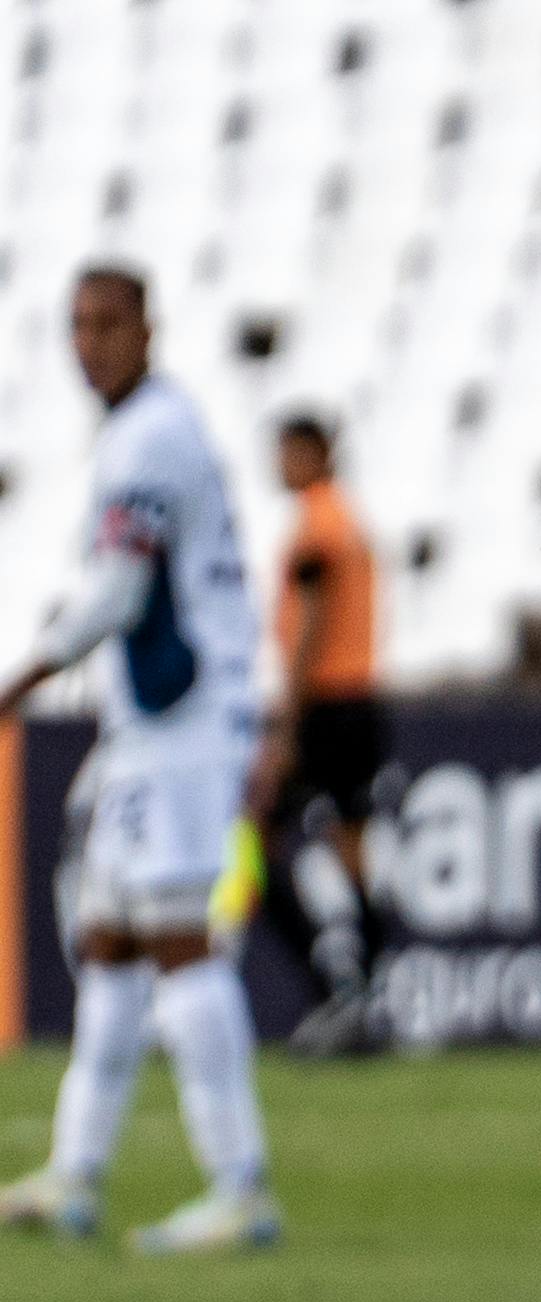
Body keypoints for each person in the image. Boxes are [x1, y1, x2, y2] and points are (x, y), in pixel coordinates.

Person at [0, 266, 283, 1252]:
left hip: (185, 723)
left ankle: (241, 1184)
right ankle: (76, 1174)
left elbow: (120, 594)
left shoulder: (151, 438)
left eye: (108, 323)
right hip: (147, 728)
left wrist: (19, 677)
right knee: (110, 943)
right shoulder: (138, 432)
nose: (91, 343)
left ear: (149, 329)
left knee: (174, 942)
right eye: (77, 324)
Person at [246, 410, 397, 1058]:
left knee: (262, 838)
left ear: (313, 454)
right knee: (354, 856)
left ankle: (333, 991)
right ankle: (363, 1000)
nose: (278, 465)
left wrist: (285, 724)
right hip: (360, 701)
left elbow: (307, 624)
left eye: (286, 453)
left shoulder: (316, 524)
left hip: (327, 706)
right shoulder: (349, 520)